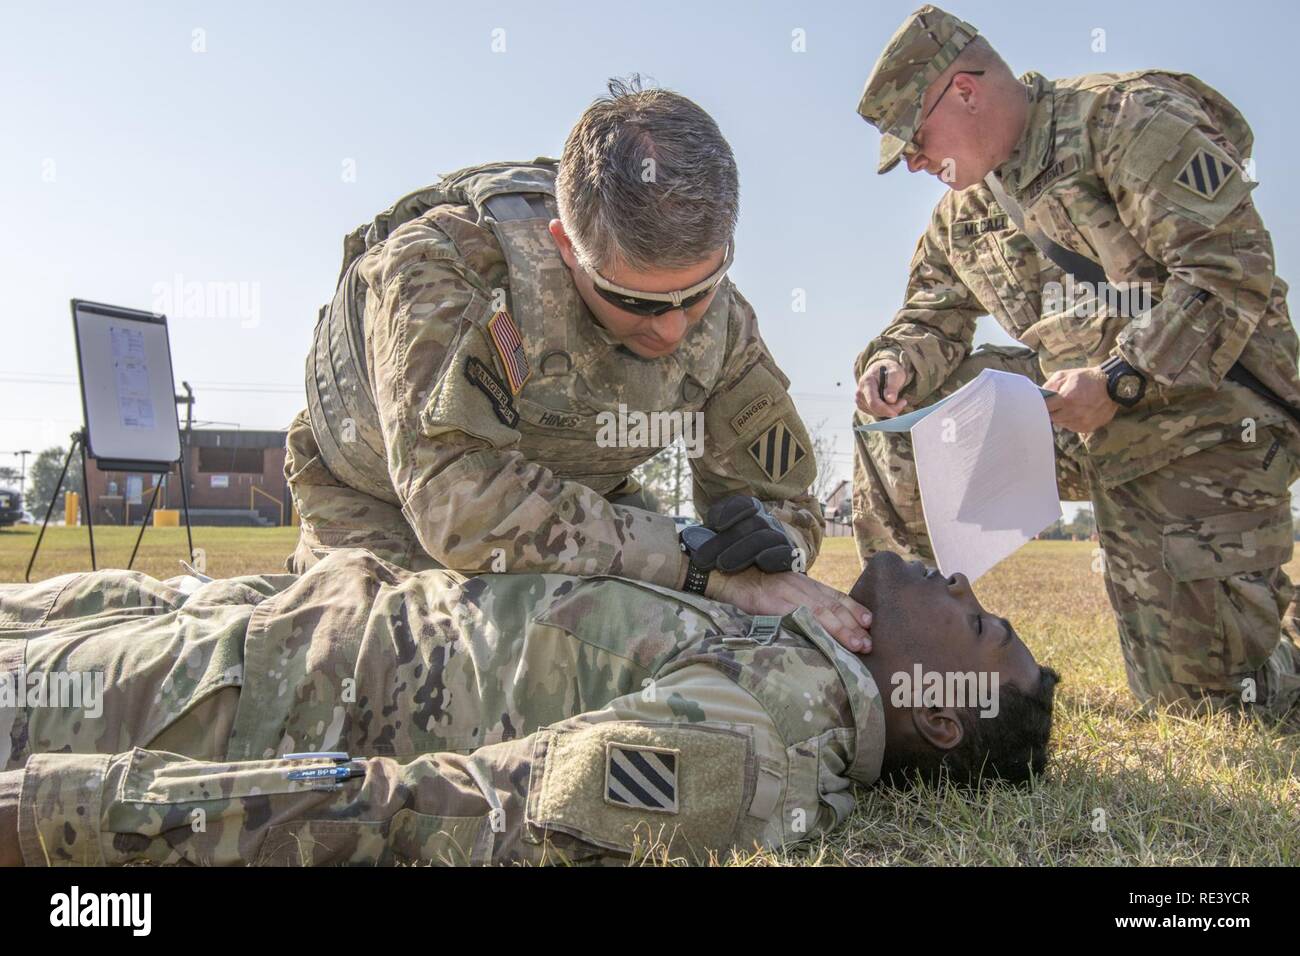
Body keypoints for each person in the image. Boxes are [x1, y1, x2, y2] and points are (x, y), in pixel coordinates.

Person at [286, 76, 872, 650]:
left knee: (664, 652)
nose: (671, 328)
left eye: (697, 293)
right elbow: (458, 503)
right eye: (634, 301)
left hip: (581, 500)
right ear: (567, 246)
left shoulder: (726, 326)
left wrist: (770, 543)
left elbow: (785, 497)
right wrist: (697, 564)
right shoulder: (450, 271)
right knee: (400, 670)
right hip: (380, 505)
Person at [0, 550, 1056, 866]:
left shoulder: (767, 732)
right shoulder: (800, 636)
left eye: (979, 628)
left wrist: (79, 813)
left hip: (228, 692)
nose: (962, 588)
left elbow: (456, 809)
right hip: (270, 613)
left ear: (941, 715)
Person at [851, 4, 1300, 721]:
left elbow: (1228, 272)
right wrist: (895, 361)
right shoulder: (963, 210)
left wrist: (1122, 381)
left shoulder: (1123, 120)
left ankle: (1276, 635)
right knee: (898, 420)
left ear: (964, 91)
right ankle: (919, 663)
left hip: (1210, 419)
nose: (911, 160)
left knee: (1207, 706)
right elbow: (931, 313)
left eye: (914, 138)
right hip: (1078, 416)